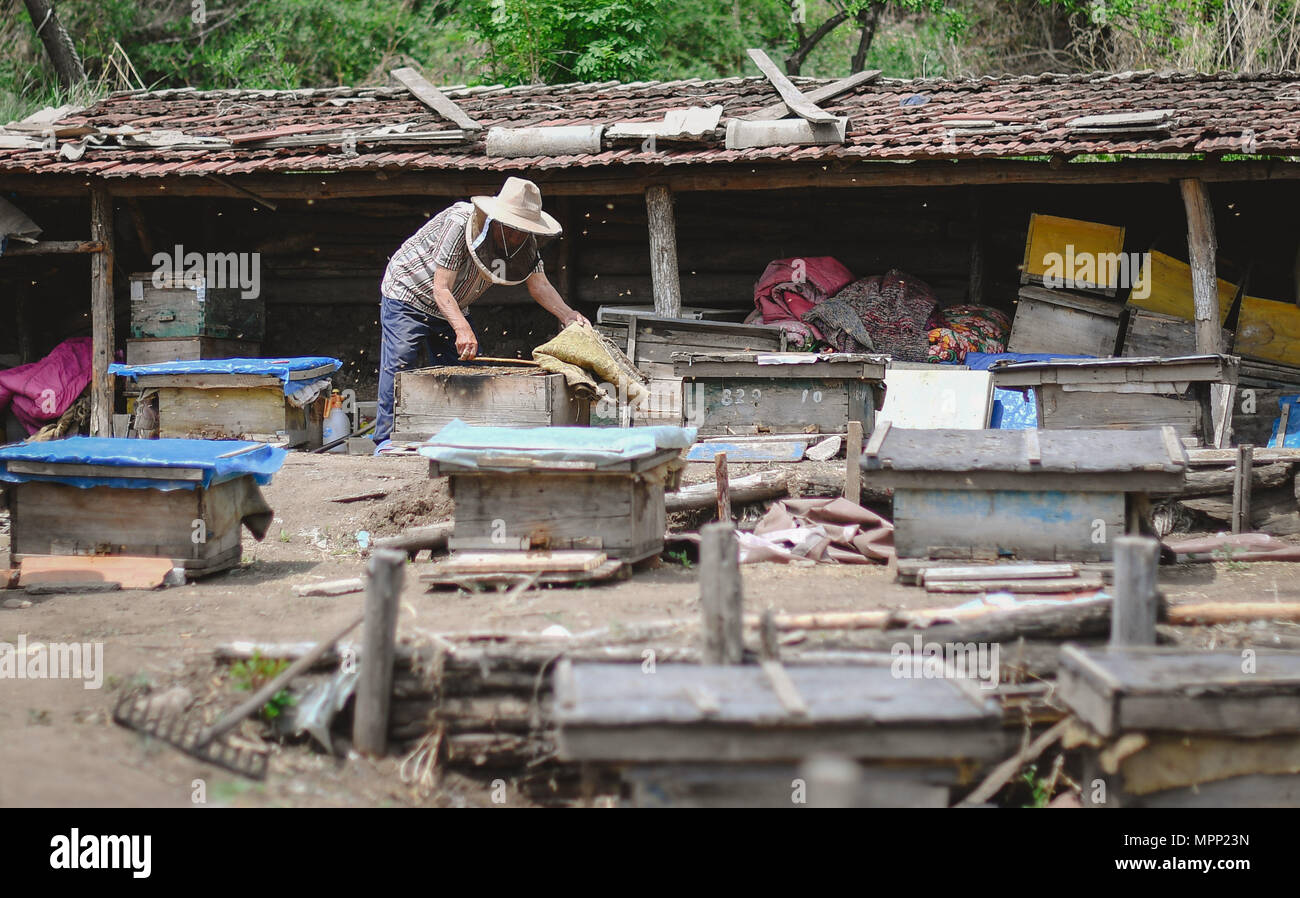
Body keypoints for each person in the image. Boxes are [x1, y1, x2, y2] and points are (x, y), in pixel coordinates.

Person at [373, 177, 589, 447]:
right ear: (496, 219)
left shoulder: (524, 241)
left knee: (464, 370)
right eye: (512, 229)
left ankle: (454, 438)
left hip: (453, 304)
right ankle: (385, 442)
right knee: (400, 363)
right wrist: (462, 328)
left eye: (523, 229)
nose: (516, 236)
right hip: (409, 292)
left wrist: (568, 315)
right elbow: (440, 288)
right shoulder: (459, 222)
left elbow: (539, 283)